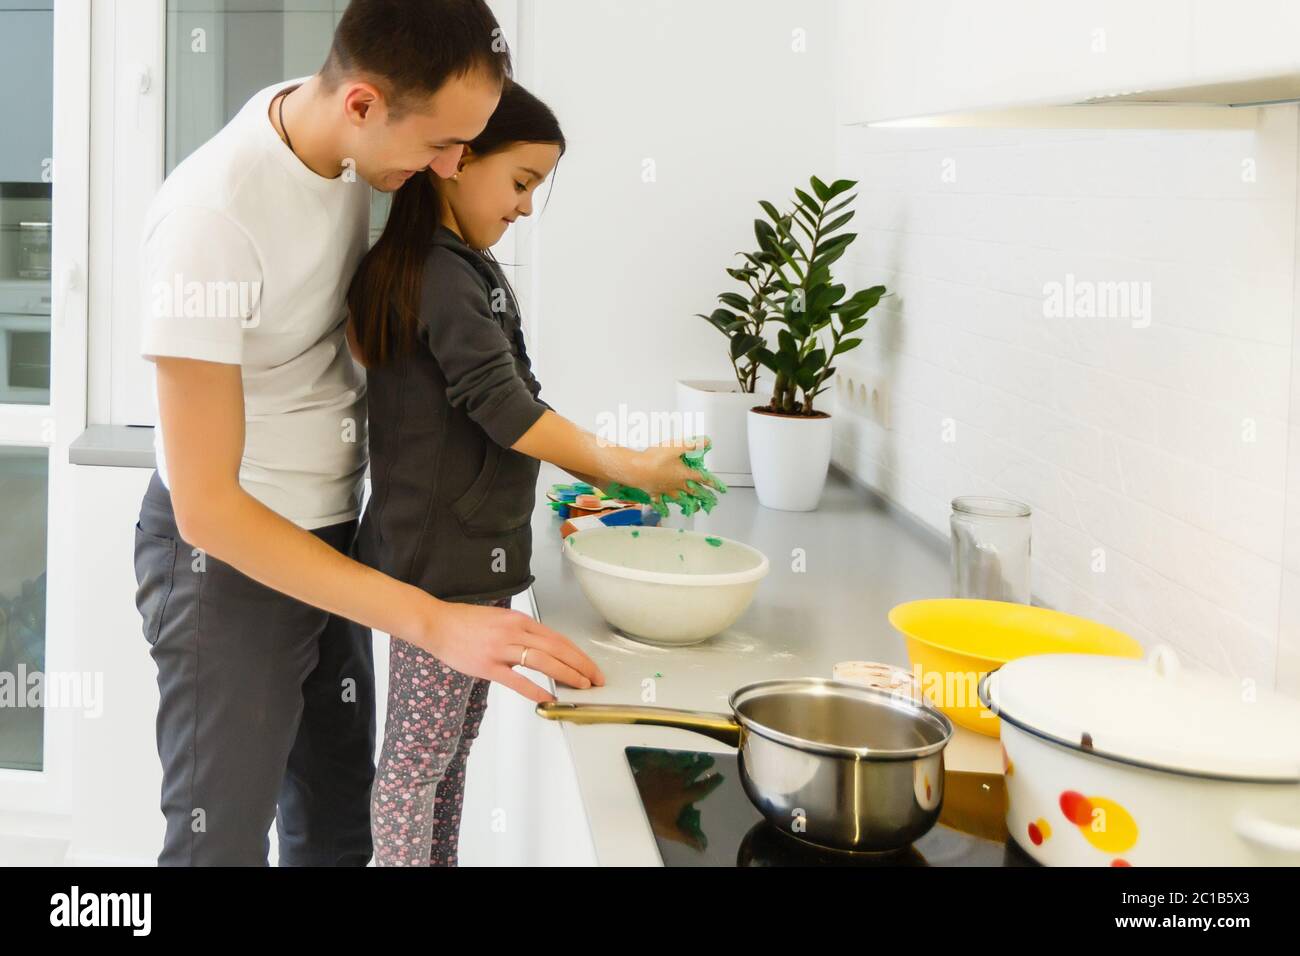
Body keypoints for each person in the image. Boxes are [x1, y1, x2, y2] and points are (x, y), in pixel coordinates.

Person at [131, 0, 602, 867]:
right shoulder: (210, 220)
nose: (454, 167)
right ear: (363, 104)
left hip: (332, 547)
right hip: (228, 565)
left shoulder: (349, 145)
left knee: (342, 830)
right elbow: (206, 508)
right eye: (440, 147)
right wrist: (433, 622)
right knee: (217, 848)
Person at [347, 80, 718, 865]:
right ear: (456, 160)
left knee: (444, 757)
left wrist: (621, 473)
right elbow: (505, 411)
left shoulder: (466, 270)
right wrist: (626, 466)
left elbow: (513, 399)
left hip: (466, 561)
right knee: (418, 766)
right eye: (520, 183)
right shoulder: (438, 274)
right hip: (437, 571)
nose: (523, 207)